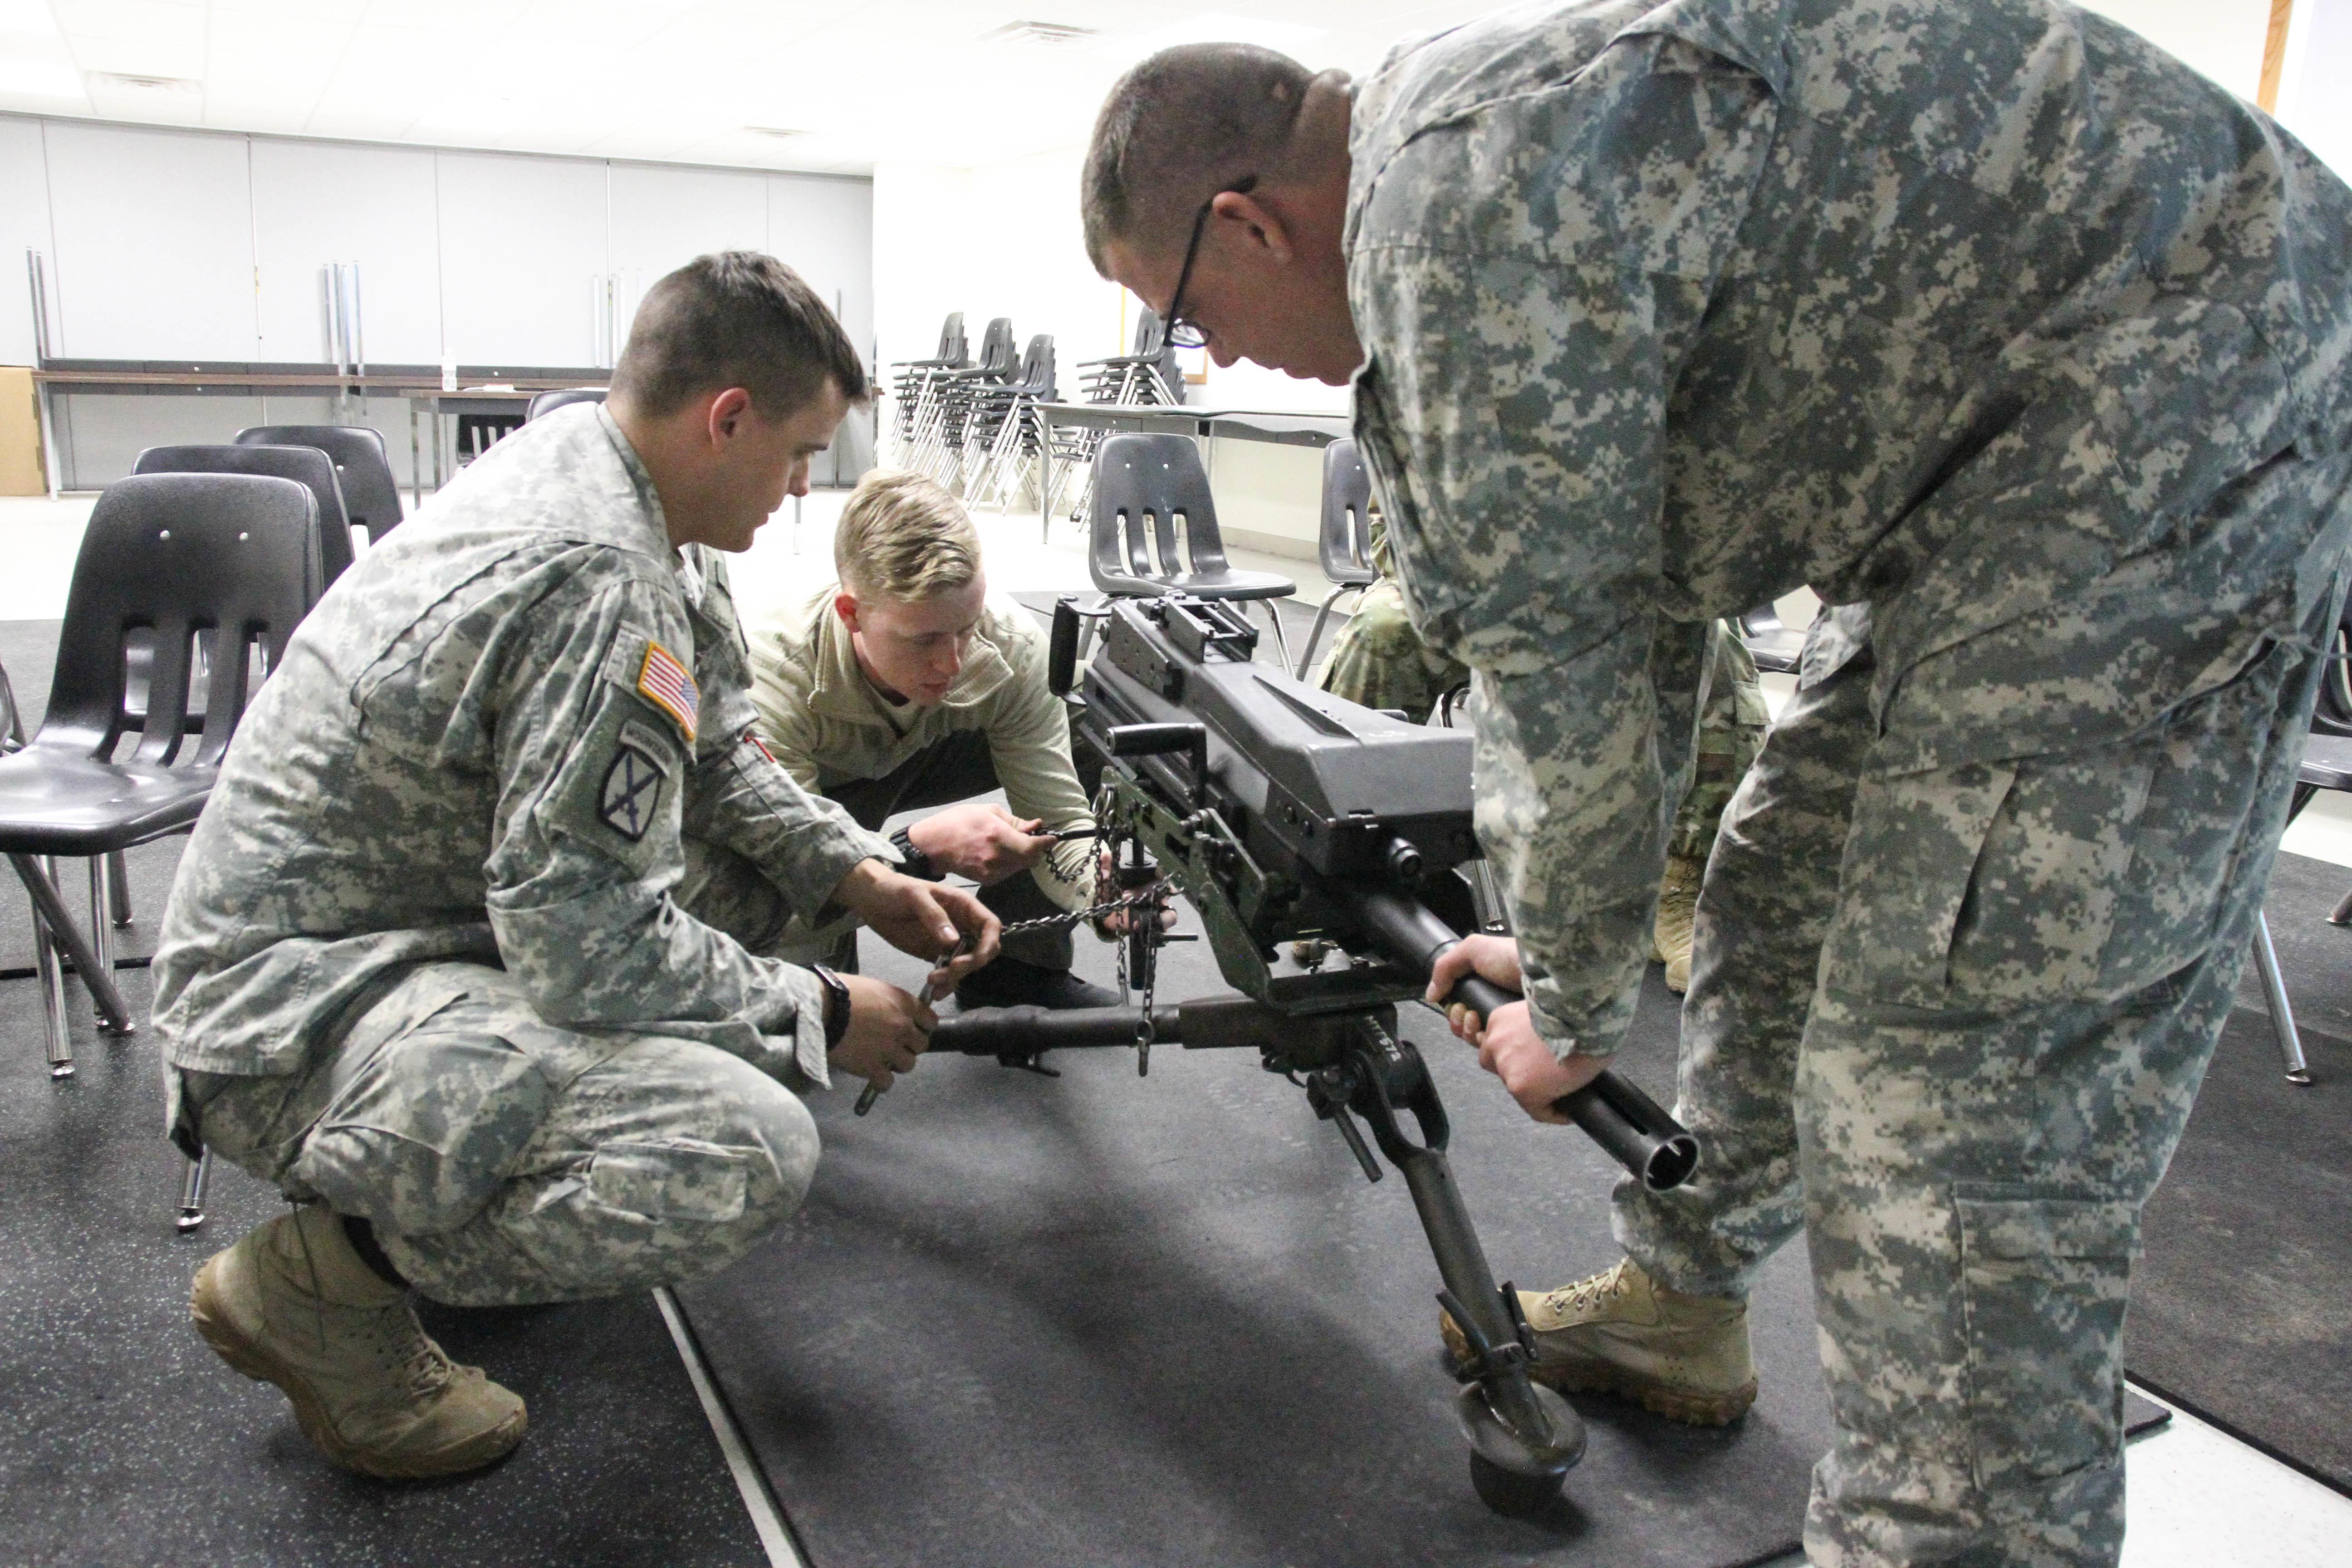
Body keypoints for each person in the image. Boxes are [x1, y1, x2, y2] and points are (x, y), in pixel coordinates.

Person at [1079, 5, 2352, 1564]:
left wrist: (1569, 1001)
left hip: (2168, 441)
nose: (1212, 355)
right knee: (1784, 886)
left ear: (1248, 220)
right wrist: (1566, 959)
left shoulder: (1449, 209)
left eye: (1187, 311)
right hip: (2002, 483)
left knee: (1946, 1116)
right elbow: (1640, 606)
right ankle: (1682, 1299)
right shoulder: (1466, 157)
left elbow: (1570, 656)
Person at [153, 251, 1000, 1480]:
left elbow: (715, 758)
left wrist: (860, 872)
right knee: (745, 1152)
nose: (807, 490)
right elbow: (583, 935)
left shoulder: (633, 495)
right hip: (286, 1015)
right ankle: (326, 1287)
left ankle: (478, 1161)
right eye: (801, 453)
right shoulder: (605, 574)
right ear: (727, 419)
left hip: (409, 922)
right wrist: (817, 1009)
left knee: (777, 886)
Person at [1316, 509, 1768, 991]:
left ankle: (1676, 885)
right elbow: (1396, 533)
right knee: (1383, 628)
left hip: (1597, 590)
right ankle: (1339, 864)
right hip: (1461, 585)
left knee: (1710, 638)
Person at [746, 469, 1123, 1011]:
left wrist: (1102, 892)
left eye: (967, 627)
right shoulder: (769, 675)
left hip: (925, 756)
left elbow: (1059, 818)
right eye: (923, 639)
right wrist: (918, 852)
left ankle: (1015, 965)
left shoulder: (1010, 645)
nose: (952, 663)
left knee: (1089, 713)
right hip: (814, 795)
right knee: (810, 1011)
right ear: (851, 614)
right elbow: (791, 879)